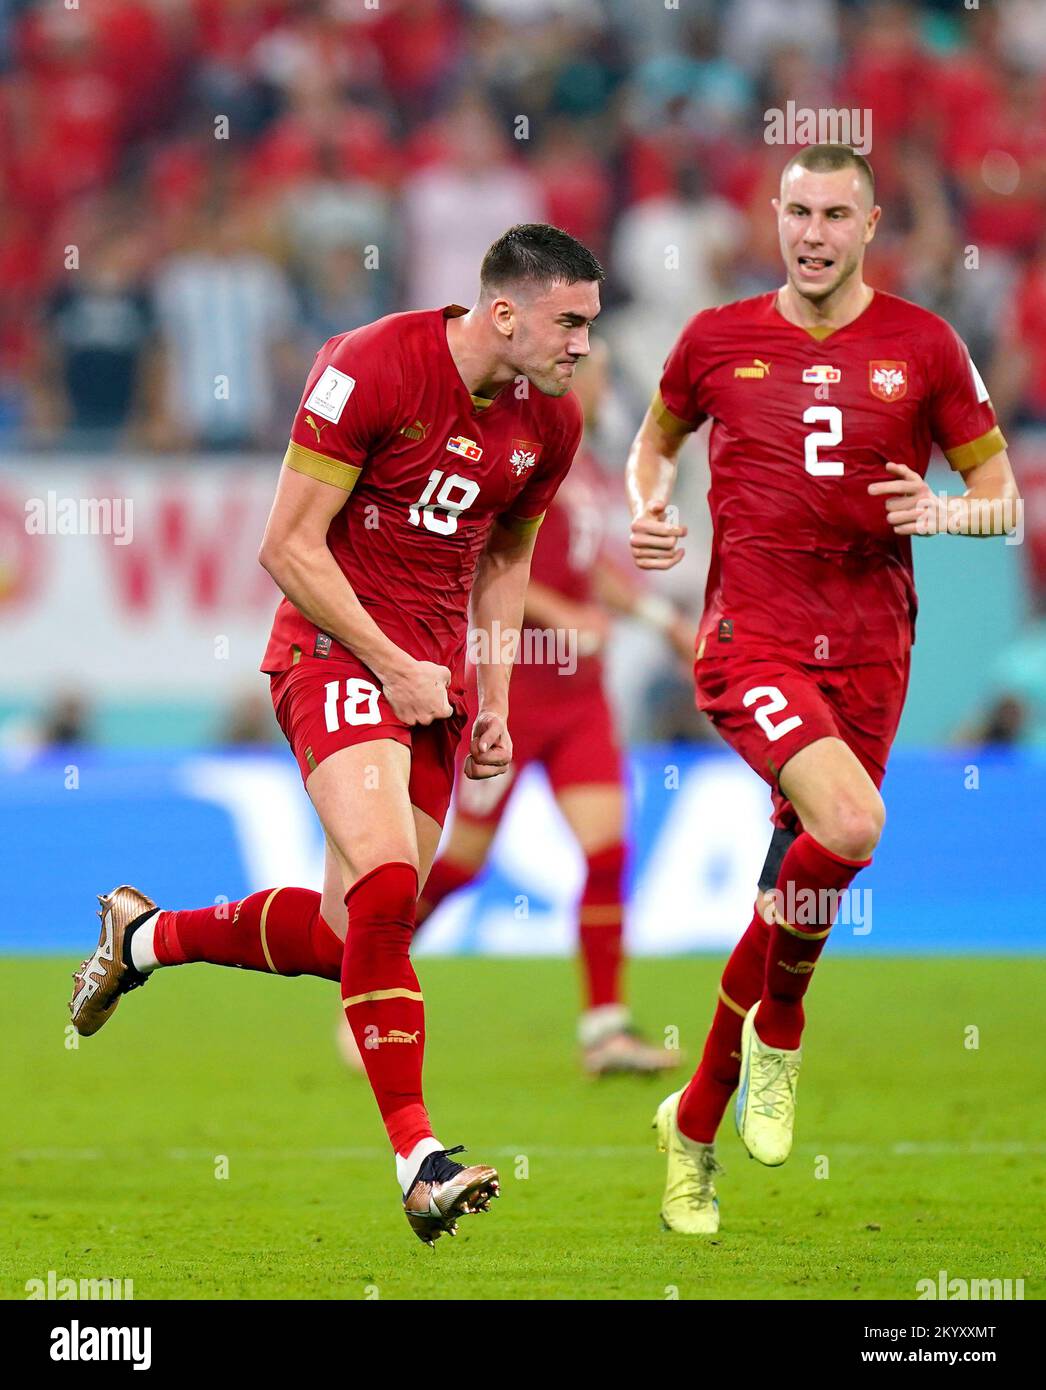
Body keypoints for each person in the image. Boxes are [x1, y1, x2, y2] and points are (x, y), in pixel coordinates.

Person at [69, 223, 604, 1245]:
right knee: (390, 883)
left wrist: (491, 694)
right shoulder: (370, 366)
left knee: (341, 932)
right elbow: (286, 545)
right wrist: (392, 662)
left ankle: (141, 937)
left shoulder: (552, 424)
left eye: (587, 320)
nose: (581, 341)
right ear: (504, 312)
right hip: (332, 651)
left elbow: (505, 557)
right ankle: (419, 1157)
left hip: (434, 684)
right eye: (567, 320)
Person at [626, 144, 1020, 1234]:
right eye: (795, 210)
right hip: (748, 638)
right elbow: (650, 447)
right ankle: (783, 1026)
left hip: (871, 648)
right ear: (773, 217)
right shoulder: (714, 340)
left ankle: (691, 1125)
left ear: (868, 224)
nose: (809, 231)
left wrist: (942, 512)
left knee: (793, 884)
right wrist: (649, 506)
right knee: (850, 822)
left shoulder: (922, 345)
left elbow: (1003, 501)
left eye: (832, 214)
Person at [336, 340, 692, 1077]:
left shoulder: (584, 469)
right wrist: (563, 616)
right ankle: (364, 983)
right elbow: (490, 565)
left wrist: (662, 622)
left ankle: (605, 1029)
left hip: (580, 702)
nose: (593, 376)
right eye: (587, 366)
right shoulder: (522, 457)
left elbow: (594, 571)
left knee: (608, 853)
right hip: (514, 696)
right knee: (458, 866)